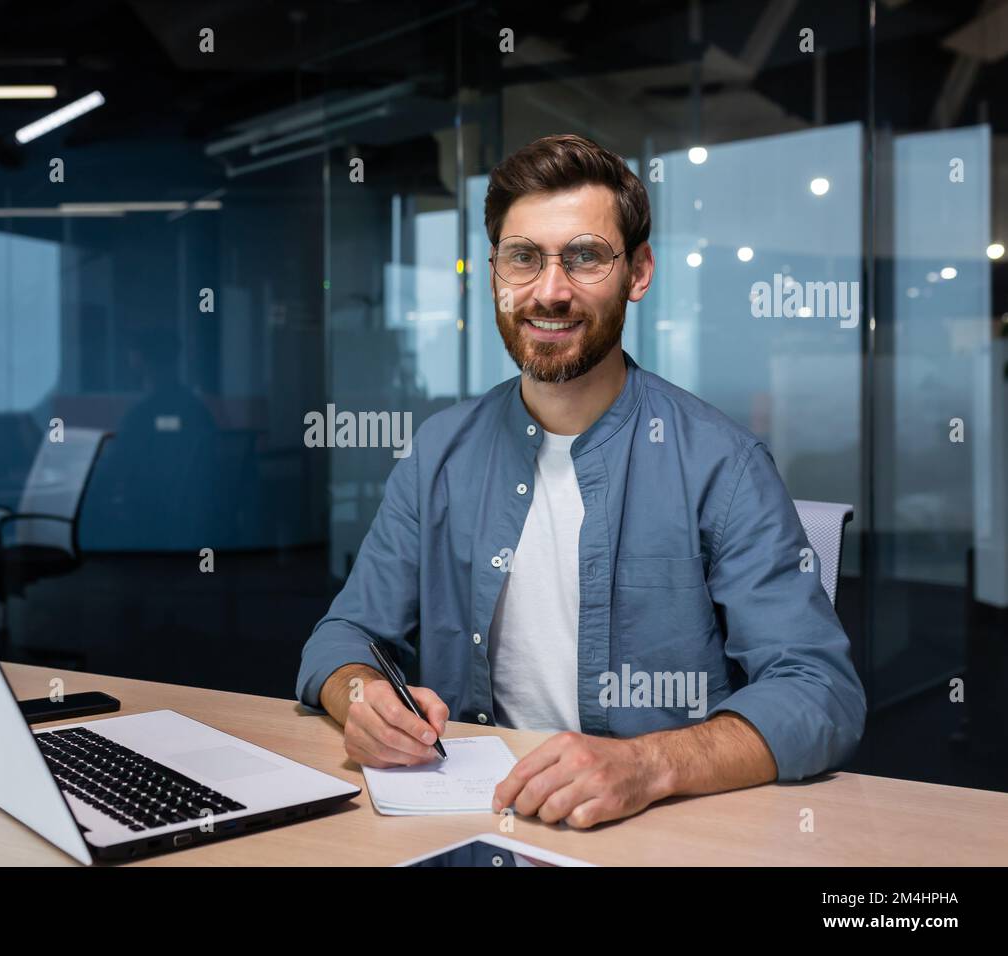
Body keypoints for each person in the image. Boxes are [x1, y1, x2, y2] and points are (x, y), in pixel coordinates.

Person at [295, 133, 865, 829]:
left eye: (587, 257)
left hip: (654, 831)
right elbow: (345, 634)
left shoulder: (724, 464)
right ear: (495, 272)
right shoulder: (439, 453)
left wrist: (647, 765)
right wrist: (359, 699)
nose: (551, 291)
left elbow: (821, 693)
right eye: (524, 258)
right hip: (470, 819)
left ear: (639, 271)